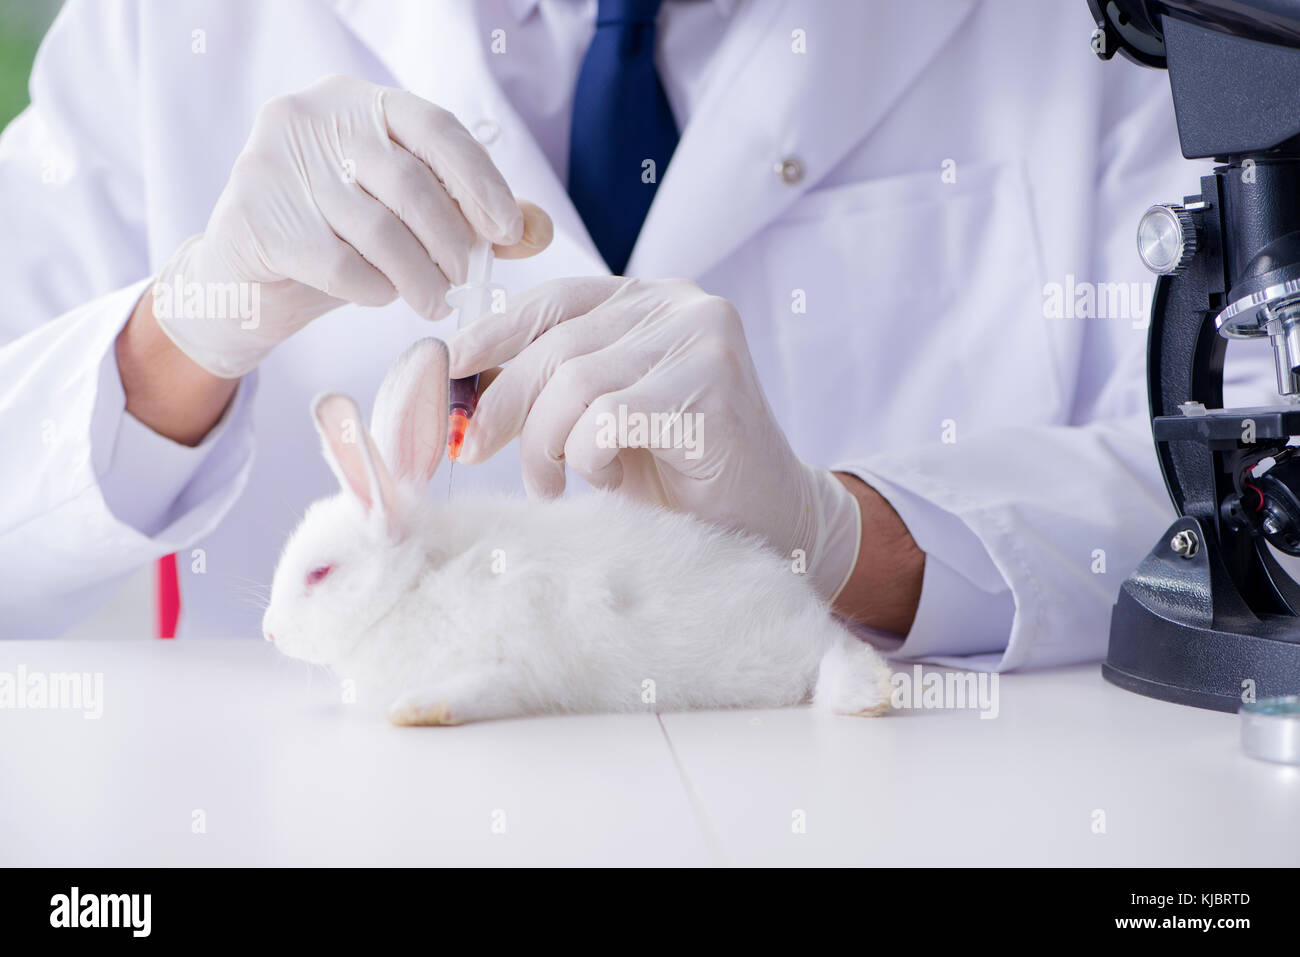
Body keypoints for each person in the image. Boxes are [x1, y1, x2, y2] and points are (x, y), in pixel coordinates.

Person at [0, 0, 1270, 668]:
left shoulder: (1091, 26)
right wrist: (185, 326)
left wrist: (848, 537)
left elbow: (1251, 498)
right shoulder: (162, 29)